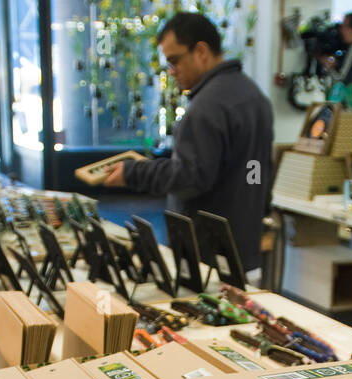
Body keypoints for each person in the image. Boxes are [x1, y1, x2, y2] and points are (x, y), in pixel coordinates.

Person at [103, 13, 272, 274]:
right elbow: (256, 172)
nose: (171, 72)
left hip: (208, 261)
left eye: (174, 61)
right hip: (245, 253)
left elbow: (191, 177)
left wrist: (133, 172)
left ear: (201, 51)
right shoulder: (255, 97)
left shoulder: (208, 107)